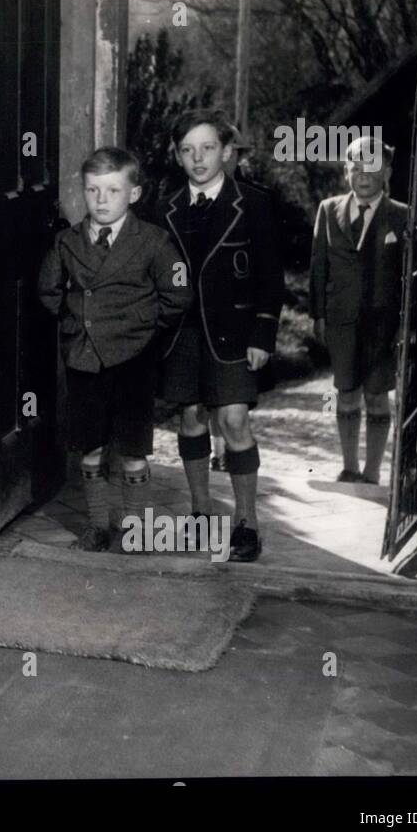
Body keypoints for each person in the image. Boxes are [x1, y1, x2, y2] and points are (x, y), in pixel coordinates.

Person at [38, 148, 191, 551]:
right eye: (93, 190)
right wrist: (75, 325)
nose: (102, 200)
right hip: (84, 357)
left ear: (134, 194)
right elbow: (48, 291)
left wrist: (142, 329)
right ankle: (98, 527)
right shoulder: (66, 242)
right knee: (89, 447)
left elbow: (177, 294)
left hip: (133, 359)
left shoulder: (155, 242)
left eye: (113, 190)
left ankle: (135, 528)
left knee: (133, 449)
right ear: (83, 192)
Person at [157, 109, 283, 562]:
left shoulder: (253, 203)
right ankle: (200, 513)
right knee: (190, 418)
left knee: (233, 422)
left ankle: (246, 522)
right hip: (182, 336)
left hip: (234, 333)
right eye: (187, 150)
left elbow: (271, 275)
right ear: (177, 156)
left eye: (207, 148)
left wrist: (263, 335)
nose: (198, 158)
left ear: (226, 152)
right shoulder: (165, 208)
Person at [309, 136, 407, 484]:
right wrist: (318, 314)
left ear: (387, 171)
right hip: (342, 320)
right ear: (346, 172)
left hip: (384, 324)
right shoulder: (329, 209)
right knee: (346, 394)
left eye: (372, 167)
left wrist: (406, 325)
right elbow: (319, 266)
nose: (363, 175)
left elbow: (408, 277)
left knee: (378, 398)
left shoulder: (400, 216)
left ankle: (372, 470)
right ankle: (349, 466)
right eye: (355, 167)